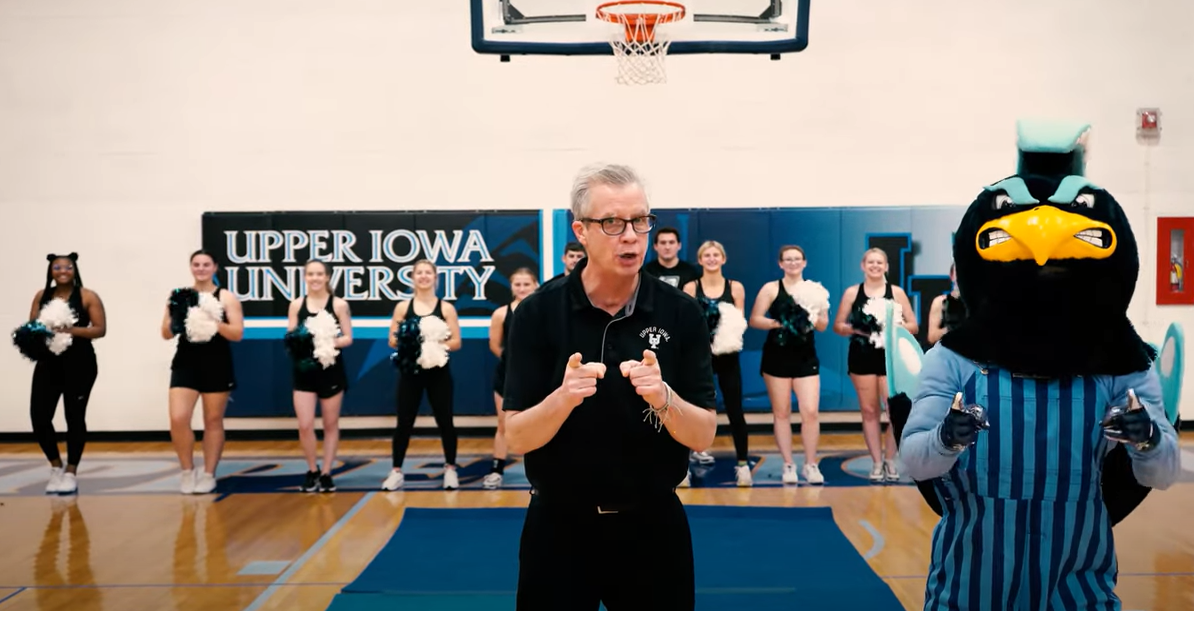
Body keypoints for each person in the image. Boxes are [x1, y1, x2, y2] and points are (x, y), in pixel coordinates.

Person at [502, 163, 717, 611]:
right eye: (613, 223)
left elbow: (703, 435)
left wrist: (664, 398)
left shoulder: (681, 313)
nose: (632, 236)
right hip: (558, 529)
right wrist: (563, 399)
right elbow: (516, 436)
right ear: (580, 230)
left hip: (654, 530)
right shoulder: (537, 314)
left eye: (641, 220)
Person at [161, 250, 244, 495]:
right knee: (178, 418)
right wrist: (176, 318)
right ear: (191, 267)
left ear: (215, 267)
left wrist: (213, 321)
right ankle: (187, 471)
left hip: (217, 362)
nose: (201, 268)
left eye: (206, 264)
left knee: (212, 420)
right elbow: (165, 333)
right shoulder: (179, 296)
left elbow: (237, 334)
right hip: (186, 361)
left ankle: (208, 473)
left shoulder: (226, 297)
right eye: (196, 264)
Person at [833, 248, 917, 482]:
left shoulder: (896, 292)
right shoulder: (853, 293)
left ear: (886, 266)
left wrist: (892, 327)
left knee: (894, 412)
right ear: (863, 266)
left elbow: (913, 325)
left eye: (879, 262)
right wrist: (860, 328)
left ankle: (891, 460)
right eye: (870, 262)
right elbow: (838, 325)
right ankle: (876, 463)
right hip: (861, 357)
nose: (875, 266)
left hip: (890, 358)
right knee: (869, 411)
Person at [24, 253, 106, 495]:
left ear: (74, 269)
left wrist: (69, 330)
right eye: (57, 267)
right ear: (51, 270)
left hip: (80, 364)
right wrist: (40, 332)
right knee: (39, 416)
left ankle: (71, 471)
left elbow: (100, 329)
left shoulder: (87, 296)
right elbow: (32, 327)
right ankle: (55, 467)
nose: (62, 271)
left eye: (67, 267)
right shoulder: (42, 296)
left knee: (74, 417)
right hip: (49, 363)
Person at [749, 245, 830, 484]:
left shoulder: (815, 290)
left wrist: (810, 318)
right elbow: (755, 319)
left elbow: (824, 325)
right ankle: (788, 464)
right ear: (780, 263)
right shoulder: (771, 288)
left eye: (797, 259)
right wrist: (781, 323)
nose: (793, 263)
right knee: (782, 412)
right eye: (788, 259)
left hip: (806, 357)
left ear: (804, 263)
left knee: (810, 412)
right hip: (777, 357)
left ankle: (811, 464)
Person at [383, 259, 462, 491]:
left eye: (429, 272)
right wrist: (413, 342)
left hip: (438, 372)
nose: (424, 276)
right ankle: (396, 471)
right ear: (413, 277)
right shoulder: (402, 307)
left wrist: (434, 345)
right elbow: (392, 339)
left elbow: (456, 341)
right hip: (410, 372)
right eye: (420, 273)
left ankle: (450, 469)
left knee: (445, 420)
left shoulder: (446, 308)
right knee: (404, 421)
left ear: (435, 277)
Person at [682, 241, 752, 487]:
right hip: (700, 359)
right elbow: (687, 323)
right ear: (700, 260)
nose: (711, 259)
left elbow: (739, 322)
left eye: (716, 255)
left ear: (723, 259)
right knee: (692, 411)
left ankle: (743, 465)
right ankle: (683, 469)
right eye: (706, 255)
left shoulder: (735, 287)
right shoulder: (691, 286)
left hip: (727, 356)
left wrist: (721, 338)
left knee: (735, 411)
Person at [286, 260, 353, 493]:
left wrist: (327, 342)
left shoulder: (339, 304)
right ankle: (311, 470)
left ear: (327, 277)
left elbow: (348, 337)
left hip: (331, 369)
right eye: (310, 274)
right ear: (305, 277)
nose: (314, 278)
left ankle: (326, 472)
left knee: (330, 423)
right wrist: (302, 339)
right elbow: (291, 334)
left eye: (319, 274)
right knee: (305, 425)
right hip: (304, 370)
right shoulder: (296, 304)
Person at [484, 267, 539, 490]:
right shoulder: (500, 313)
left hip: (537, 375)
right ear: (511, 286)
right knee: (503, 423)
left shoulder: (542, 310)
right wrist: (516, 363)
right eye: (518, 284)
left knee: (539, 423)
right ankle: (497, 470)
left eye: (526, 284)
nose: (522, 288)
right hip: (507, 376)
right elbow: (495, 345)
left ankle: (540, 474)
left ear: (535, 285)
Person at [926, 263, 965, 345]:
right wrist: (951, 329)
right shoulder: (940, 302)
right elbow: (932, 337)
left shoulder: (981, 304)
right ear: (952, 276)